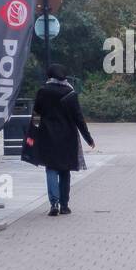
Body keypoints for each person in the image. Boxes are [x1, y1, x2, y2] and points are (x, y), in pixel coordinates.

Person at [31, 63, 95, 216]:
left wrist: (33, 132)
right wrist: (88, 137)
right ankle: (65, 205)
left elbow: (36, 115)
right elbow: (78, 118)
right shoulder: (70, 93)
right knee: (65, 171)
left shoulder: (43, 91)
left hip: (47, 135)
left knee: (51, 168)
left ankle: (54, 204)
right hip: (68, 136)